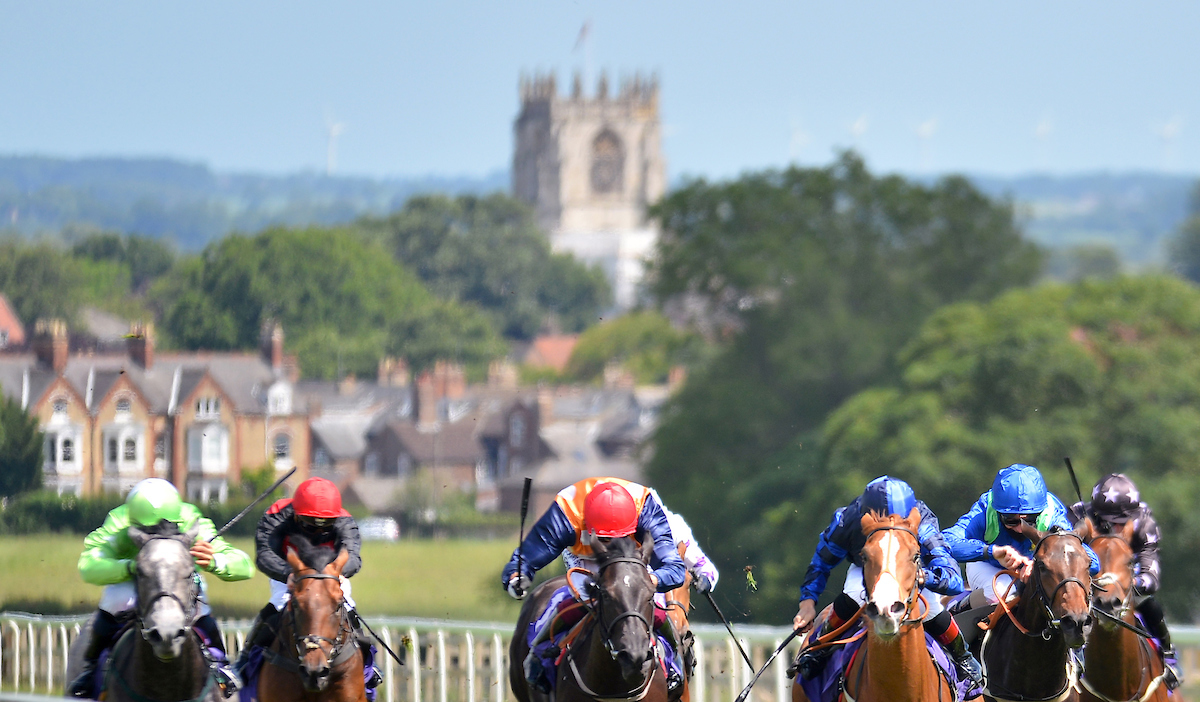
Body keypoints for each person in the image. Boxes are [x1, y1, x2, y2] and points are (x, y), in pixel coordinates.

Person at [67, 478, 254, 698]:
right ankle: (89, 670)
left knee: (199, 605)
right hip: (135, 576)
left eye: (167, 527)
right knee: (116, 600)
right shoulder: (119, 521)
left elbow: (244, 566)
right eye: (148, 529)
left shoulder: (191, 519)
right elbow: (88, 565)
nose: (157, 533)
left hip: (178, 579)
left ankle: (220, 664)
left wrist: (214, 561)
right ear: (133, 519)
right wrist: (130, 567)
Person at [789, 476, 983, 686]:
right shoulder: (848, 520)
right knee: (855, 594)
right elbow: (822, 562)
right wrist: (807, 604)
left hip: (910, 570)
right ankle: (820, 649)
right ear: (865, 516)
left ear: (910, 517)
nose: (889, 526)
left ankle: (963, 657)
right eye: (880, 521)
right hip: (869, 566)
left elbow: (952, 579)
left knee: (932, 608)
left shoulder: (922, 520)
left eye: (897, 520)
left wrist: (925, 577)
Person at [501, 477, 687, 695]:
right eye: (606, 540)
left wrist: (647, 583)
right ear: (588, 525)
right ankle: (538, 655)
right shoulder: (567, 512)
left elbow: (674, 569)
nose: (612, 546)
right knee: (580, 598)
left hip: (632, 561)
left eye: (619, 537)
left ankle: (675, 663)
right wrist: (517, 575)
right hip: (587, 557)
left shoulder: (644, 507)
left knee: (647, 601)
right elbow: (528, 555)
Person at [230, 477, 381, 691]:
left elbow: (354, 558)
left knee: (346, 603)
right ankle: (243, 662)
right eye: (310, 525)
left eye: (326, 526)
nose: (318, 532)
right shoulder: (277, 515)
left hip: (329, 572)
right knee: (280, 602)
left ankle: (367, 664)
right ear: (295, 514)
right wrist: (286, 574)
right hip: (290, 571)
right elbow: (264, 555)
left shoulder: (344, 520)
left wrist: (336, 572)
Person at [1068, 473, 1181, 690]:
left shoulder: (1144, 523)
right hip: (1086, 577)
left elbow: (1151, 577)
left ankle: (1168, 655)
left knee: (1148, 602)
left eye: (1123, 523)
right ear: (1099, 515)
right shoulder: (1078, 516)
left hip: (1125, 576)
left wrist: (1123, 584)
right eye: (1112, 523)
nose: (1118, 529)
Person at [943, 463, 1099, 606]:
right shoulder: (984, 511)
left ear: (1040, 511)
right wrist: (992, 552)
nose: (1020, 529)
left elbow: (1093, 563)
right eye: (1010, 520)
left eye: (1029, 520)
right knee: (1004, 591)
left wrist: (1037, 565)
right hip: (987, 564)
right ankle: (960, 607)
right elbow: (945, 542)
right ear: (998, 512)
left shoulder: (1052, 516)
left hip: (1037, 568)